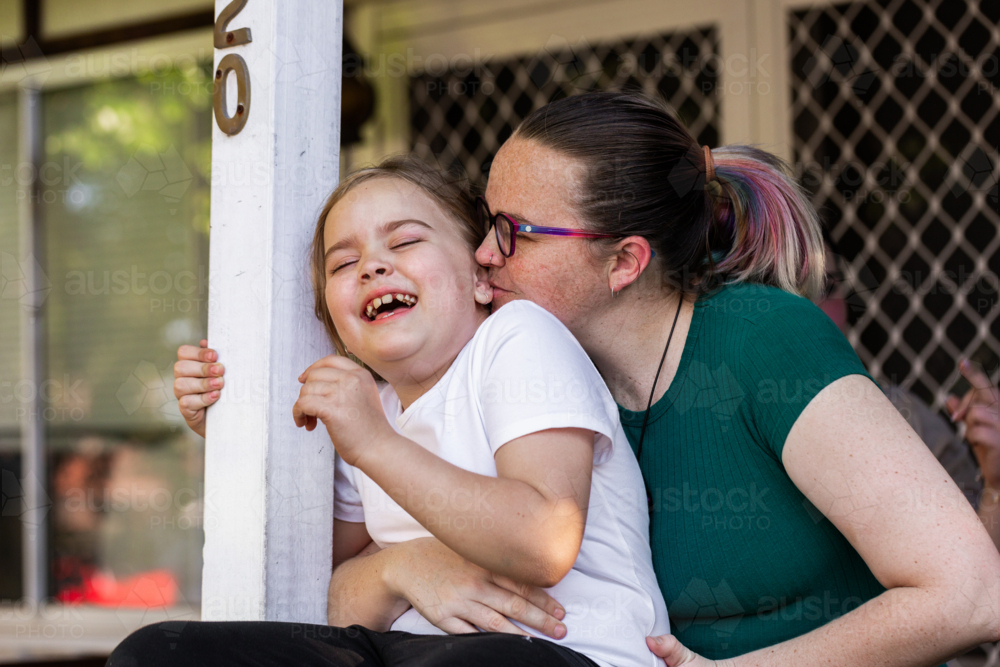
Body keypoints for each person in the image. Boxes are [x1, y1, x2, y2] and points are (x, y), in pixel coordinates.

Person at [172, 91, 999, 666]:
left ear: (624, 262)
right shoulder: (522, 375)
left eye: (512, 232)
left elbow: (967, 595)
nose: (484, 255)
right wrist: (244, 429)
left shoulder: (760, 342)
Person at [115, 155, 669, 667]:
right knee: (156, 654)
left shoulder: (516, 337)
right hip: (408, 651)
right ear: (335, 323)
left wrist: (375, 445)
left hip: (566, 654)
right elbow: (311, 586)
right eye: (344, 262)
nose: (372, 267)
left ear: (480, 275)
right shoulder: (372, 410)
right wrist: (232, 437)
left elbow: (544, 542)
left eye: (403, 242)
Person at [818, 236, 1000, 553]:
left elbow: (980, 573)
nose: (811, 314)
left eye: (826, 288)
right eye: (787, 292)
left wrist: (996, 486)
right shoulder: (727, 431)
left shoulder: (904, 417)